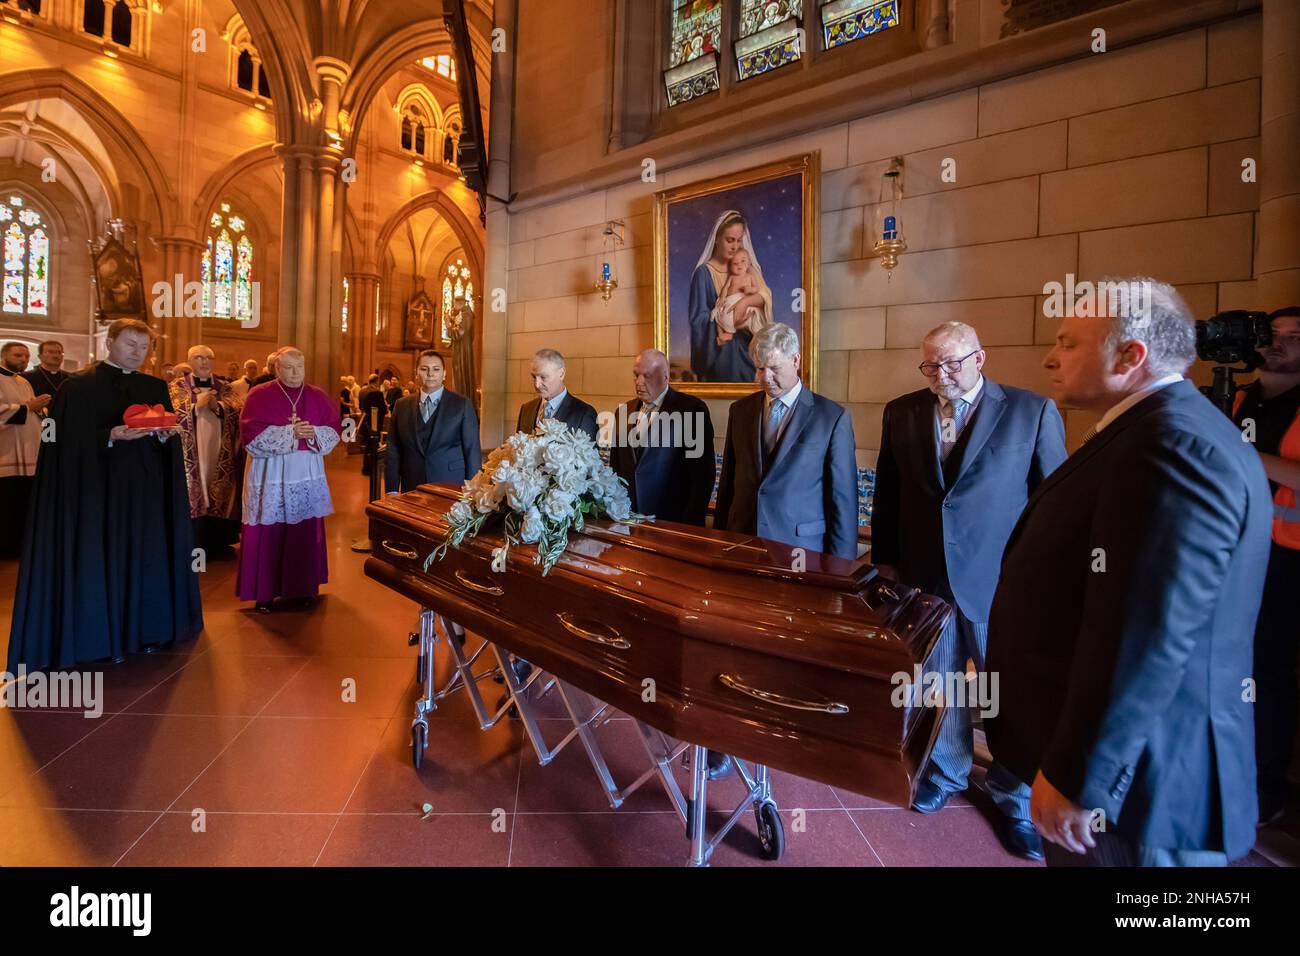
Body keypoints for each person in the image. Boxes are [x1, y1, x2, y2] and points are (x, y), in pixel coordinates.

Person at [986, 279, 1271, 867]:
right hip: (1118, 776)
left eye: (1067, 342)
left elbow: (1145, 637)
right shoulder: (1145, 429)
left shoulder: (1172, 446)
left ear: (1129, 355)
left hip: (1133, 790)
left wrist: (1079, 779)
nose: (1049, 357)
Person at [871, 321, 1068, 859]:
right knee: (939, 687)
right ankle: (947, 769)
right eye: (931, 365)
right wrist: (886, 562)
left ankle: (1014, 792)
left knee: (1008, 692)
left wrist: (1045, 580)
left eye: (953, 363)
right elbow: (888, 491)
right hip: (924, 579)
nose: (942, 375)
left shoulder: (1030, 412)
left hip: (1000, 580)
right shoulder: (902, 411)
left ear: (981, 358)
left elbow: (1053, 508)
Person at [7, 319, 203, 670]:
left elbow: (166, 438)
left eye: (143, 347)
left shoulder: (154, 385)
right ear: (109, 342)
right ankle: (99, 639)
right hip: (96, 494)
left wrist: (163, 436)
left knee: (143, 556)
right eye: (130, 344)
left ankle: (145, 632)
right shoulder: (78, 387)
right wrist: (110, 434)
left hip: (143, 491)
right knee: (101, 558)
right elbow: (61, 443)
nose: (137, 353)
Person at [1231, 305, 1300, 826]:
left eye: (1293, 337)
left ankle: (1265, 787)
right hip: (1232, 552)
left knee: (1270, 676)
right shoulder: (1238, 397)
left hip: (1288, 560)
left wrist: (1244, 457)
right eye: (1271, 334)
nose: (1277, 344)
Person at [714, 323, 857, 560]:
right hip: (742, 545)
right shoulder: (739, 411)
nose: (766, 378)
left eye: (774, 368)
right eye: (760, 369)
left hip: (800, 551)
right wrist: (719, 541)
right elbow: (728, 482)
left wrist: (842, 571)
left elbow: (842, 502)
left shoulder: (832, 417)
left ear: (796, 361)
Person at [237, 348, 340, 613]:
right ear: (276, 370)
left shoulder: (317, 395)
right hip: (270, 471)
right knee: (268, 530)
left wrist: (313, 432)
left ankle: (302, 588)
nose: (295, 373)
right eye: (289, 368)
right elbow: (250, 433)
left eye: (300, 367)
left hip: (305, 472)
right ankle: (264, 593)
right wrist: (290, 432)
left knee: (303, 531)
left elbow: (333, 429)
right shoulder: (259, 394)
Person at [607, 349, 715, 525]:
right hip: (627, 520)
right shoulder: (623, 412)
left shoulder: (692, 409)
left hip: (673, 521)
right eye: (636, 375)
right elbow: (615, 468)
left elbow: (703, 476)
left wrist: (689, 526)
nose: (639, 382)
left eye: (647, 376)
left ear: (665, 377)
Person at [170, 345, 244, 559]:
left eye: (208, 358)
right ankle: (192, 541)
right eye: (198, 358)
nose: (203, 362)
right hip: (191, 453)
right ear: (190, 361)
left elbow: (238, 412)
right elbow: (171, 414)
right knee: (195, 486)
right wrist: (195, 408)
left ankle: (217, 542)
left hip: (220, 450)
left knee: (218, 489)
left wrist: (219, 407)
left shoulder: (225, 388)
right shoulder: (177, 386)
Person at [688, 210, 772, 383]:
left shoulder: (748, 267)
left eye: (739, 240)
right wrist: (729, 321)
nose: (735, 246)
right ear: (717, 239)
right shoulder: (704, 274)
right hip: (723, 355)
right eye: (730, 240)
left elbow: (764, 296)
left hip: (748, 350)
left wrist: (745, 302)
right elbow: (698, 319)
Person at [385, 350, 481, 495]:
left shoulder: (462, 404)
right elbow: (393, 449)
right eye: (424, 369)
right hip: (411, 485)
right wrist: (391, 489)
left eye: (436, 369)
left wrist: (473, 492)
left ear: (444, 374)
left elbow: (472, 450)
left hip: (450, 484)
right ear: (416, 372)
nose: (430, 374)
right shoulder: (401, 405)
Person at [0, 343, 47, 559]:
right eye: (18, 355)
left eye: (26, 356)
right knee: (5, 505)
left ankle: (18, 548)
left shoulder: (24, 381)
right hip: (6, 455)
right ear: (3, 356)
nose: (23, 359)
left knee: (22, 505)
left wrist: (40, 408)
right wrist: (29, 407)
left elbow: (30, 410)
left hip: (28, 455)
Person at [515, 349, 598, 441]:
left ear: (561, 374)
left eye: (543, 377)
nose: (537, 384)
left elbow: (590, 454)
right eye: (534, 377)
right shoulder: (526, 409)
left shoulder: (584, 413)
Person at [21, 340, 68, 414]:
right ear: (40, 356)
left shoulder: (70, 378)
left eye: (59, 352)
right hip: (37, 420)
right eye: (50, 352)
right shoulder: (25, 377)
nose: (56, 355)